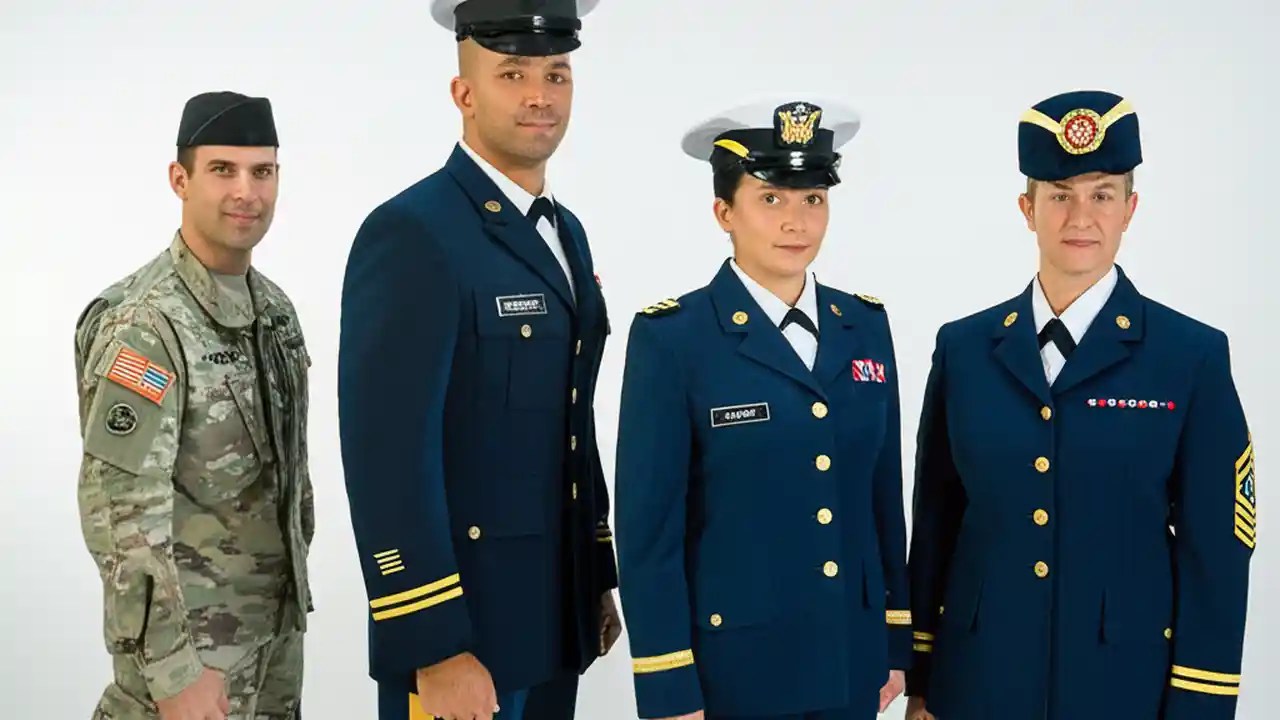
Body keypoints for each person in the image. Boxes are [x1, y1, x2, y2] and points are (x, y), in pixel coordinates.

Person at [904, 89, 1255, 720]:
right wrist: (923, 678)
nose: (1079, 218)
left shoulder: (1190, 356)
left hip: (1124, 688)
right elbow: (936, 522)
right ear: (1026, 208)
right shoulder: (963, 350)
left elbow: (1217, 548)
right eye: (1059, 195)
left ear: (1131, 208)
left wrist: (1202, 703)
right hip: (979, 684)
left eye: (1101, 195)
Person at [336, 2, 619, 719]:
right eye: (512, 73)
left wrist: (595, 571)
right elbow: (387, 459)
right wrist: (431, 643)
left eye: (556, 74)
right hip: (465, 637)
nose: (539, 95)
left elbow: (570, 423)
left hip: (553, 619)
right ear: (464, 94)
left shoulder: (568, 234)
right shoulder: (413, 232)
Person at [614, 98, 911, 720]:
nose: (795, 221)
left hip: (850, 664)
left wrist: (894, 638)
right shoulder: (674, 338)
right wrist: (668, 684)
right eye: (770, 199)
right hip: (735, 673)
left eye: (813, 199)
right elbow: (649, 533)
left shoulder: (864, 325)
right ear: (724, 212)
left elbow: (883, 499)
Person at [73, 90, 314, 720]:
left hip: (270, 654)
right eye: (222, 170)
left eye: (263, 172)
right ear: (180, 179)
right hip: (186, 670)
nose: (247, 192)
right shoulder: (146, 325)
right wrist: (175, 668)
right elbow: (118, 512)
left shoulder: (275, 312)